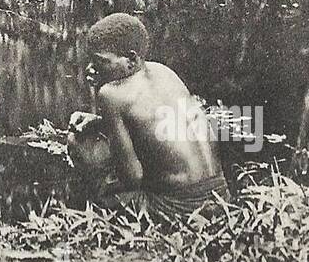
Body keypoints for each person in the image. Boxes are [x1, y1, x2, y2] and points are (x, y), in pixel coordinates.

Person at [67, 12, 229, 219]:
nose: (90, 69)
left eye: (100, 62)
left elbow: (133, 178)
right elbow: (154, 125)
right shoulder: (164, 71)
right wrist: (101, 122)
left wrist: (96, 165)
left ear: (131, 59)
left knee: (78, 141)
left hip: (182, 210)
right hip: (221, 197)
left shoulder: (110, 94)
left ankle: (91, 209)